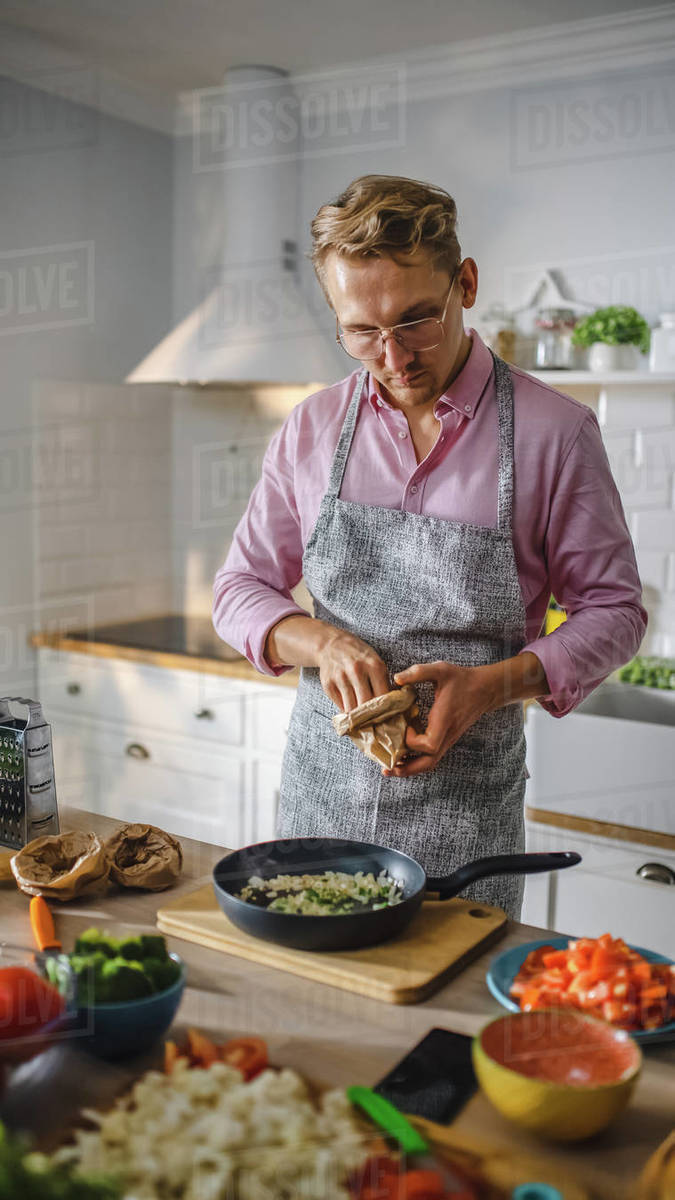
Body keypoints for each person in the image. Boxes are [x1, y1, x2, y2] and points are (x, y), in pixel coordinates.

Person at [212, 174, 646, 918]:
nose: (393, 356)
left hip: (467, 823)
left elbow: (613, 612)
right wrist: (321, 643)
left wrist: (491, 687)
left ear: (465, 283)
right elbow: (239, 590)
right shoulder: (310, 430)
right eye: (360, 331)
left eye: (417, 320)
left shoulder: (555, 433)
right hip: (320, 808)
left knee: (448, 1024)